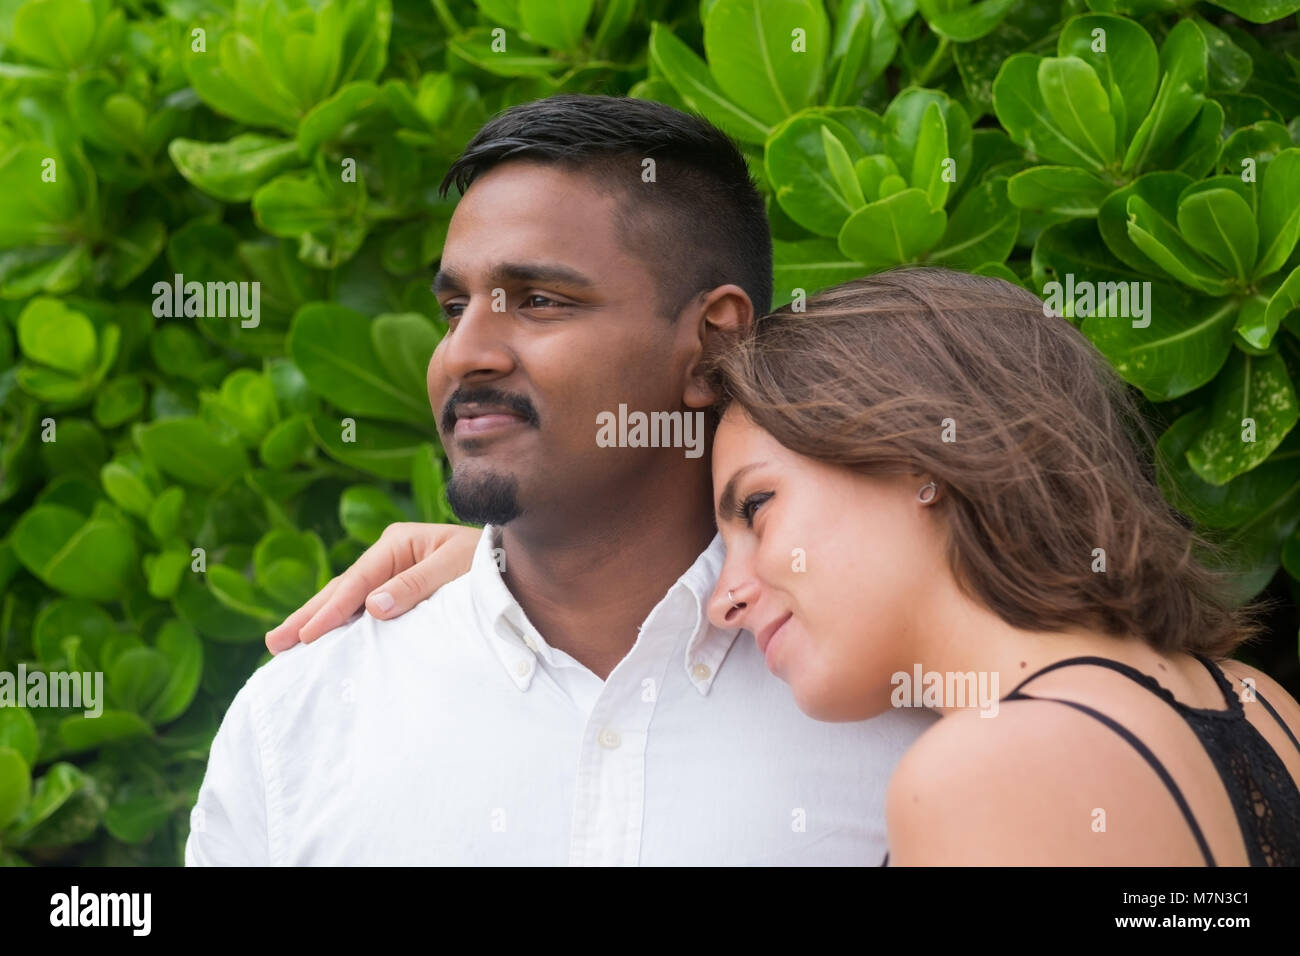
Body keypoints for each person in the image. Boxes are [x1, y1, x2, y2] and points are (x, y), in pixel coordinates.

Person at [276, 267, 1300, 865]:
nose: (728, 585)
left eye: (758, 508)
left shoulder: (987, 768)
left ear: (921, 460)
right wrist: (540, 574)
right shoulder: (1257, 709)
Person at [185, 93, 932, 867]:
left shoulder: (904, 694)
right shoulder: (297, 721)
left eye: (539, 301)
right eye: (452, 307)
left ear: (712, 340)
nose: (463, 354)